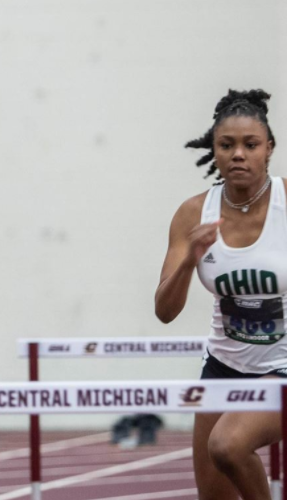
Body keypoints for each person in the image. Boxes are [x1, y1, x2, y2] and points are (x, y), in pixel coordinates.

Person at [155, 89, 286, 500]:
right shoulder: (195, 213)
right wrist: (191, 258)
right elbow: (164, 310)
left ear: (269, 149)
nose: (238, 155)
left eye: (250, 145)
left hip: (283, 370)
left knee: (227, 445)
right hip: (223, 369)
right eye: (226, 145)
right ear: (214, 150)